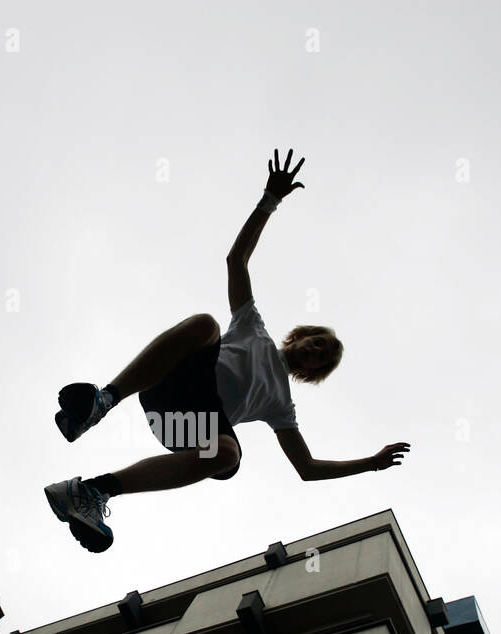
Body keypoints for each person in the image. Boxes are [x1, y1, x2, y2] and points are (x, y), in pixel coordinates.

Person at [45, 148, 410, 552]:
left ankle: (91, 492)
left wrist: (371, 463)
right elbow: (237, 260)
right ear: (301, 335)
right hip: (167, 382)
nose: (316, 351)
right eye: (317, 343)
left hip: (179, 424)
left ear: (313, 372)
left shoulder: (281, 405)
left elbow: (306, 468)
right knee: (206, 324)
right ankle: (102, 402)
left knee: (228, 456)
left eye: (322, 357)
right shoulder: (254, 327)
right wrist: (269, 201)